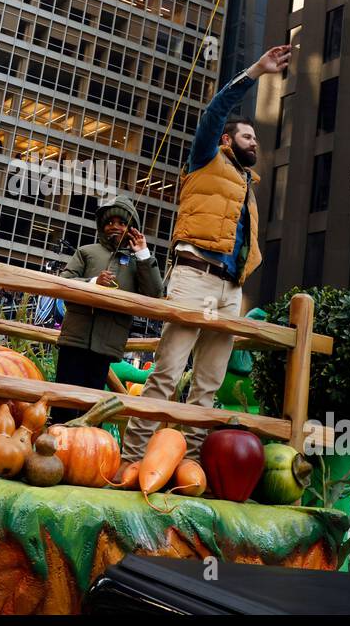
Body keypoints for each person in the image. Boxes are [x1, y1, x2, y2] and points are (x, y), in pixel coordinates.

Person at [121, 44, 292, 463]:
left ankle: (189, 463)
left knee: (209, 385)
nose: (255, 142)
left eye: (255, 137)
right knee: (166, 374)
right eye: (248, 135)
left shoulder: (245, 184)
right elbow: (215, 110)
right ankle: (131, 460)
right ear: (226, 139)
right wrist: (257, 69)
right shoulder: (205, 158)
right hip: (195, 276)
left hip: (230, 291)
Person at [54, 196, 163, 401]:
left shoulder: (137, 262)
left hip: (107, 344)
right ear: (102, 226)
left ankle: (89, 434)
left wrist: (143, 254)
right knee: (64, 397)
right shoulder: (86, 252)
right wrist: (94, 282)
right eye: (110, 222)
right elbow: (64, 283)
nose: (115, 227)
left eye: (122, 223)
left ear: (132, 230)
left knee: (93, 400)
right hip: (75, 338)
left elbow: (154, 293)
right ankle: (59, 432)